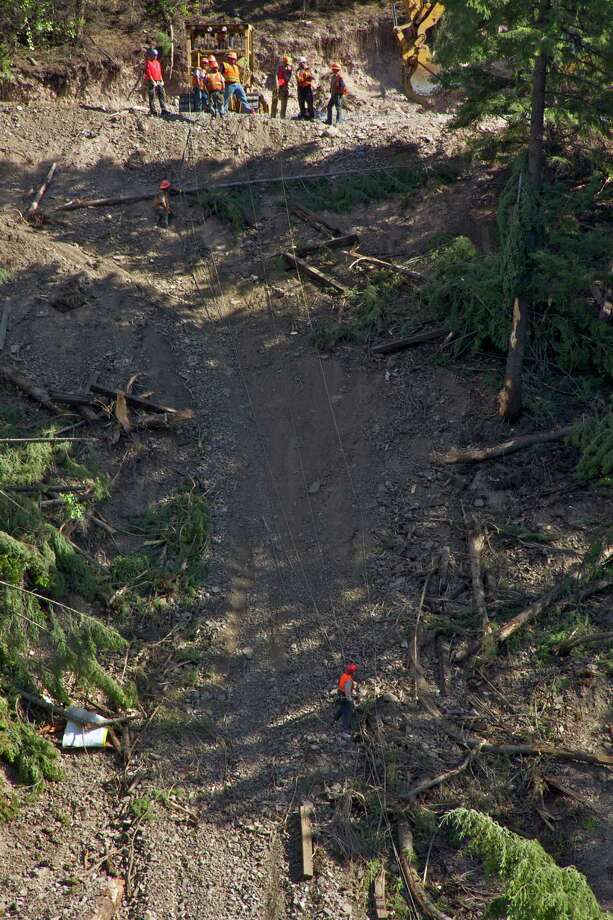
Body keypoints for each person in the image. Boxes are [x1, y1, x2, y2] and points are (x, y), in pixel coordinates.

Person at [221, 51, 254, 115]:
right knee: (226, 98)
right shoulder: (225, 65)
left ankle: (248, 109)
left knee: (243, 96)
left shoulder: (236, 67)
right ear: (229, 59)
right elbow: (220, 74)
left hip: (238, 84)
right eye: (232, 59)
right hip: (229, 84)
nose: (233, 60)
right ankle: (223, 111)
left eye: (234, 59)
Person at [334, 663, 358, 735]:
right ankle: (345, 730)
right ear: (352, 672)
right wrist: (350, 701)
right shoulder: (349, 680)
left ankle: (333, 721)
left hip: (340, 695)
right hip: (345, 697)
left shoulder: (344, 676)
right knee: (348, 713)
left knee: (342, 708)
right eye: (355, 671)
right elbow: (347, 691)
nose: (355, 673)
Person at [144, 48, 168, 117]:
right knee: (152, 96)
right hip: (151, 81)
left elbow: (159, 73)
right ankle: (153, 111)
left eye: (156, 55)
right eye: (154, 55)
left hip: (158, 81)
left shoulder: (157, 63)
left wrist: (162, 80)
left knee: (162, 94)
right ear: (150, 55)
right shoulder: (148, 63)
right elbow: (149, 73)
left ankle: (163, 110)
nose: (155, 57)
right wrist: (152, 81)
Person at [271, 54, 293, 119]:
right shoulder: (280, 68)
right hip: (278, 86)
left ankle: (282, 116)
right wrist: (276, 84)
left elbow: (287, 79)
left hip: (284, 87)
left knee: (284, 103)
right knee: (275, 101)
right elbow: (276, 75)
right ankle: (273, 116)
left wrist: (286, 71)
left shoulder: (289, 70)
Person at [326, 61, 347, 126]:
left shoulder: (339, 77)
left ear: (336, 69)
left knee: (338, 108)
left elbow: (343, 86)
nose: (332, 70)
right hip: (333, 94)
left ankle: (338, 121)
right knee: (329, 107)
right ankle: (329, 121)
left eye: (333, 69)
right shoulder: (333, 76)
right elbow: (333, 85)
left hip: (337, 94)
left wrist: (340, 93)